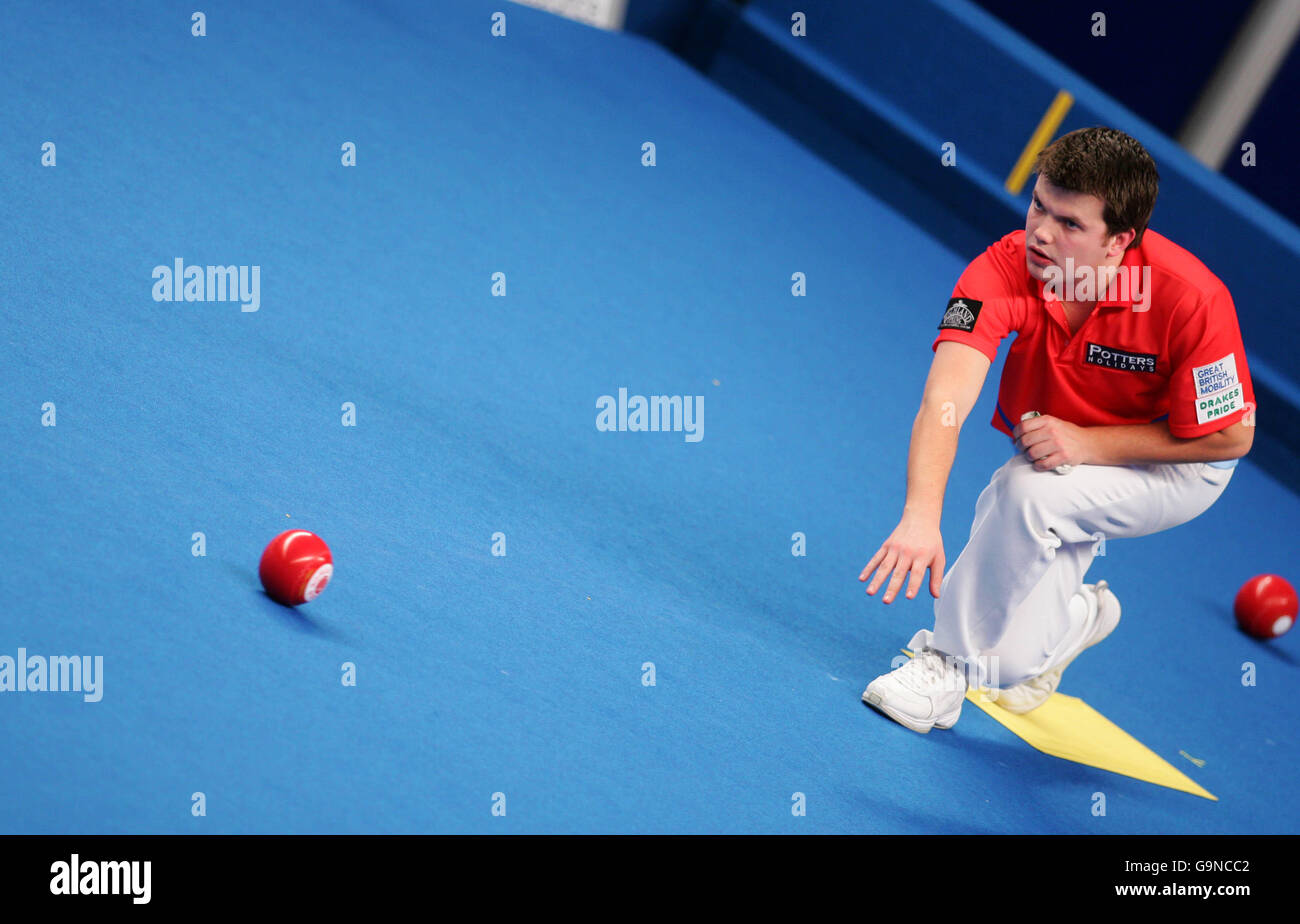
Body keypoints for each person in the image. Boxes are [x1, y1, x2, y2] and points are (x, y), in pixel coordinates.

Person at [859, 126, 1255, 733]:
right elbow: (945, 398)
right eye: (1039, 205)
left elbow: (1232, 437)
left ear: (1119, 240)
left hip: (1179, 462)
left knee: (1026, 491)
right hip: (1067, 451)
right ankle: (1081, 618)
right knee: (1008, 666)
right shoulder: (1004, 266)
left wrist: (1092, 442)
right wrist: (920, 513)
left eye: (1070, 223)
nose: (1041, 232)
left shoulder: (1191, 299)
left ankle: (941, 668)